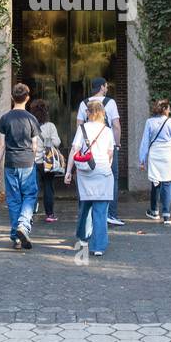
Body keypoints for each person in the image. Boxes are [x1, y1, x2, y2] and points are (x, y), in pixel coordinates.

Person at [64, 98, 115, 257]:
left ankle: (83, 238)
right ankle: (98, 246)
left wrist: (68, 171)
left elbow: (74, 150)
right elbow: (110, 154)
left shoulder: (82, 128)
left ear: (89, 113)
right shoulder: (107, 131)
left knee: (85, 206)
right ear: (102, 113)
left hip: (85, 173)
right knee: (100, 210)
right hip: (102, 171)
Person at [0, 82, 41, 250]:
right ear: (27, 98)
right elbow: (35, 146)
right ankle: (23, 225)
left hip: (10, 163)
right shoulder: (32, 119)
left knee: (13, 199)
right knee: (29, 195)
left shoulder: (5, 118)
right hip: (27, 162)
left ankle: (16, 237)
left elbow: (1, 146)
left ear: (12, 97)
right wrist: (32, 159)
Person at [76, 77, 123, 226]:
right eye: (106, 86)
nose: (107, 88)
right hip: (106, 147)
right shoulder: (110, 102)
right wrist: (116, 144)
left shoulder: (83, 103)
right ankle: (111, 214)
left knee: (86, 178)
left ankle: (86, 214)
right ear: (102, 87)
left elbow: (79, 125)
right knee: (112, 178)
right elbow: (116, 125)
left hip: (87, 149)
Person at [139, 98, 171, 225]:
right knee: (167, 183)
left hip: (155, 153)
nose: (170, 110)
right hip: (168, 153)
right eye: (169, 108)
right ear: (165, 109)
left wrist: (142, 159)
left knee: (156, 181)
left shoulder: (149, 122)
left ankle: (154, 210)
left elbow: (145, 142)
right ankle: (167, 215)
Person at [29, 98, 61, 223]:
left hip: (33, 162)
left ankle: (30, 213)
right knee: (49, 188)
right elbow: (57, 142)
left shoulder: (30, 125)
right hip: (48, 162)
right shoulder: (50, 126)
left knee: (33, 189)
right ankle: (49, 214)